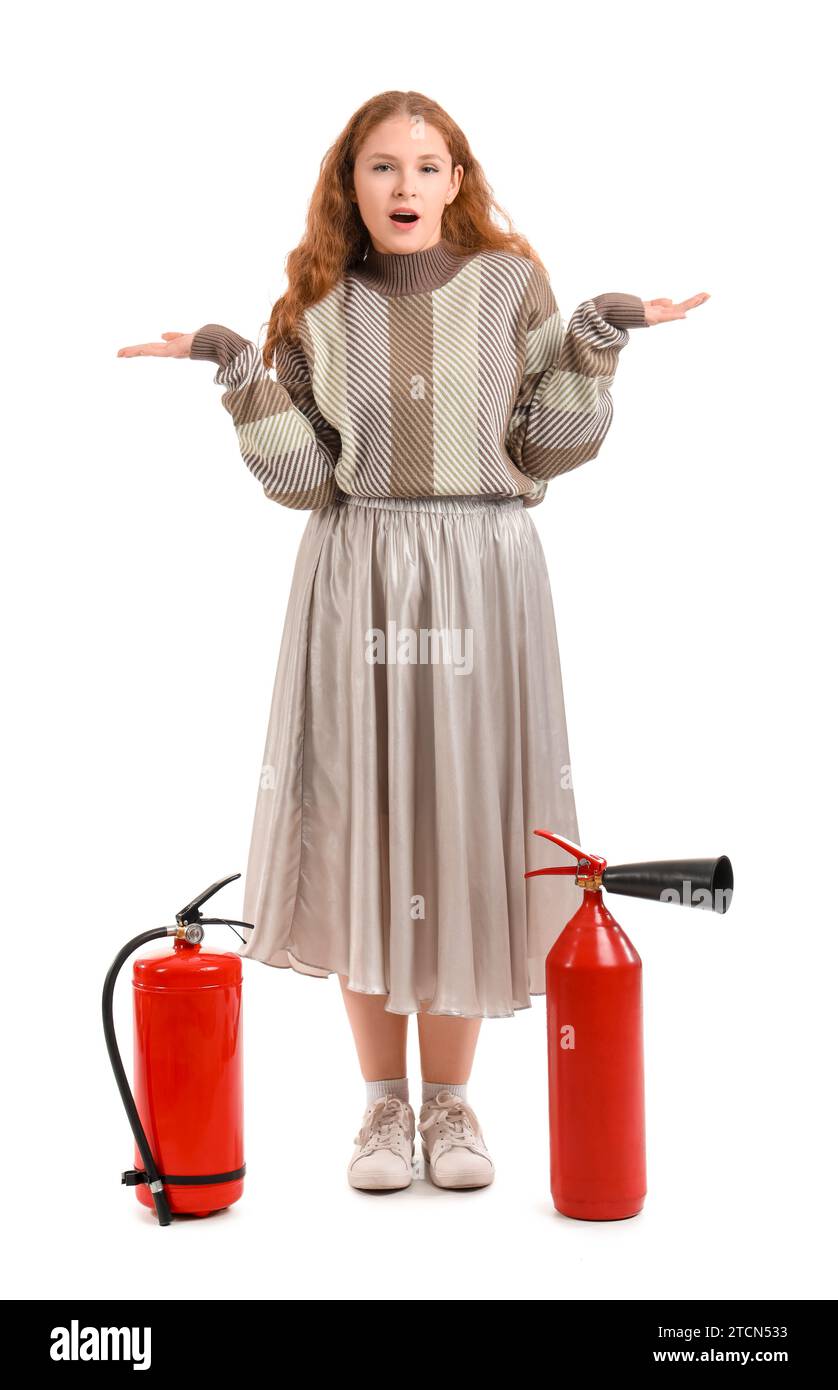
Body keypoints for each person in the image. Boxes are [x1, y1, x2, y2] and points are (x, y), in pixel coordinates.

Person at [117, 89, 709, 1195]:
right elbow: (300, 482)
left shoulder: (510, 289)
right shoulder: (317, 303)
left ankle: (453, 1102)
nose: (405, 186)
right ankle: (383, 1108)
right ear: (352, 184)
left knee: (461, 826)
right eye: (382, 167)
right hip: (361, 570)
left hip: (486, 570)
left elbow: (550, 443)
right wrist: (237, 368)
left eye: (427, 166)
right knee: (370, 823)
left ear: (456, 179)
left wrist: (596, 337)